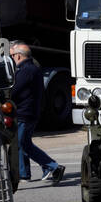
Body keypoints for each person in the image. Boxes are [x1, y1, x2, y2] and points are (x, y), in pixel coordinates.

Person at [9, 42, 64, 182]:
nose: (12, 58)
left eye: (12, 55)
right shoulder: (32, 68)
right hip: (29, 112)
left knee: (22, 144)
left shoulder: (25, 70)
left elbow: (14, 90)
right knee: (24, 143)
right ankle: (28, 173)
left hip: (24, 113)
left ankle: (53, 167)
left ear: (19, 56)